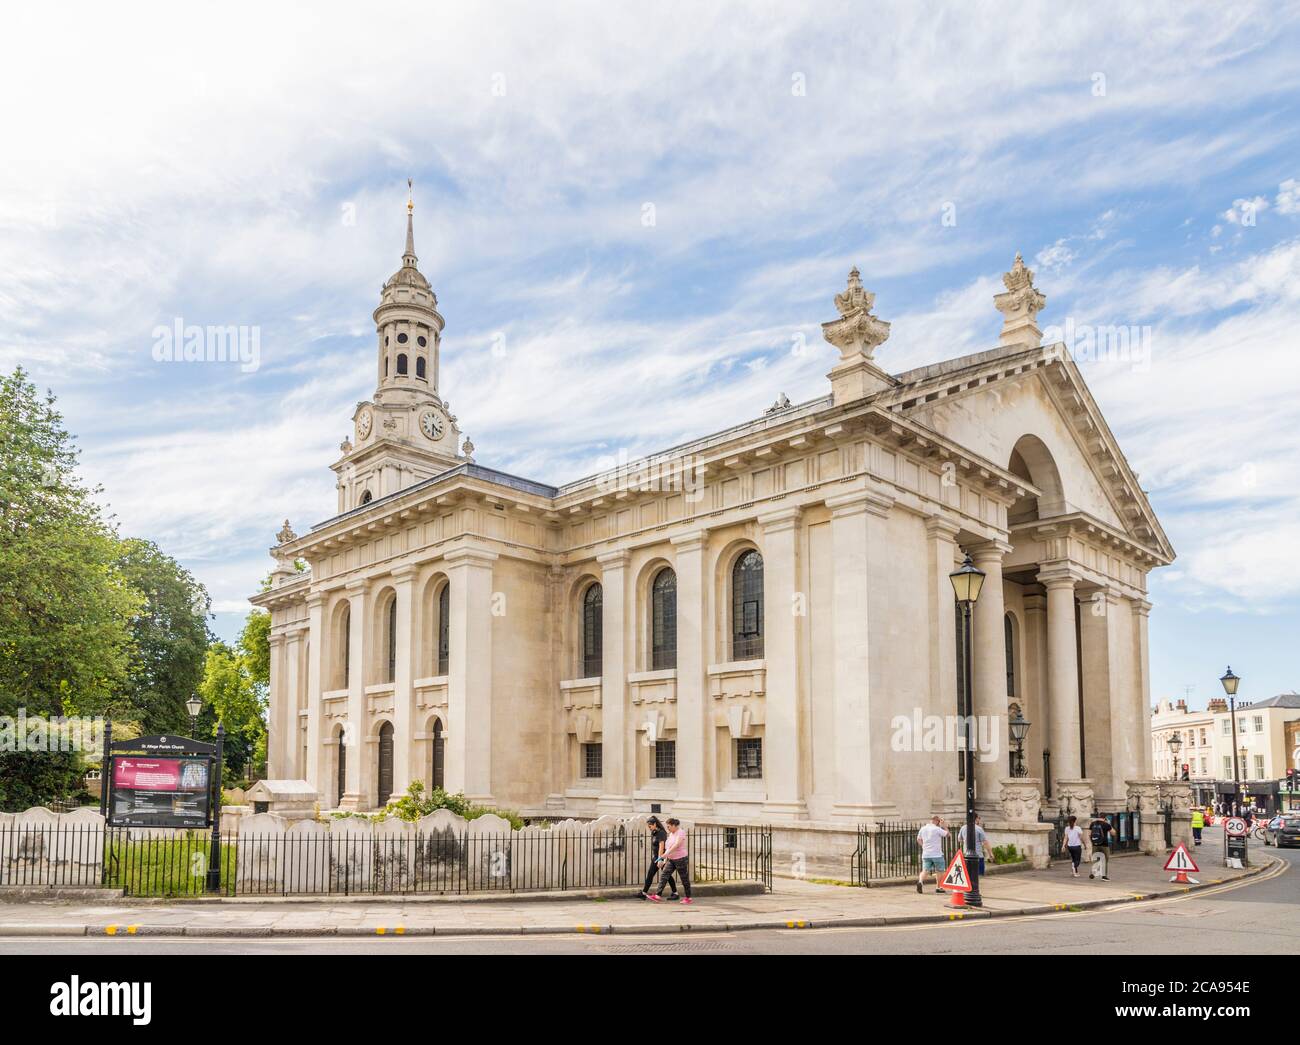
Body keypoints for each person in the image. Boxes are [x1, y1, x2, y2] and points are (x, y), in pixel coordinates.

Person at [649, 817, 692, 904]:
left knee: (684, 878)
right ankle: (658, 895)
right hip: (671, 859)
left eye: (668, 826)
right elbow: (668, 846)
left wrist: (666, 853)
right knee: (664, 874)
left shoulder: (681, 832)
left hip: (681, 859)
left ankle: (688, 898)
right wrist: (664, 859)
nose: (667, 828)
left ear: (674, 825)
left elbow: (676, 845)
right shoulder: (671, 834)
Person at [640, 816, 677, 899]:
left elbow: (661, 846)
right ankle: (644, 893)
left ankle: (675, 893)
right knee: (651, 874)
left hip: (661, 858)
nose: (649, 828)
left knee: (667, 875)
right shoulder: (655, 832)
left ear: (655, 824)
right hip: (656, 857)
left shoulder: (661, 833)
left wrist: (660, 859)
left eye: (650, 826)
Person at [916, 815, 949, 894]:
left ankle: (920, 881)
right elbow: (948, 835)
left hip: (926, 854)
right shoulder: (937, 829)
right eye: (938, 821)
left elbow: (918, 839)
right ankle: (938, 887)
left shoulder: (923, 828)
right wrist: (944, 826)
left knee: (925, 870)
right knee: (939, 871)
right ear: (937, 821)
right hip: (937, 854)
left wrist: (924, 846)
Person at [1088, 814, 1115, 880]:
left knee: (1096, 860)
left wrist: (1093, 842)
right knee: (1105, 860)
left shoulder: (1093, 824)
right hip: (1104, 845)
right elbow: (1113, 833)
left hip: (1095, 845)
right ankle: (1104, 876)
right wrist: (1109, 824)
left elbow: (1089, 834)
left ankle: (1093, 872)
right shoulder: (1106, 824)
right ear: (1105, 818)